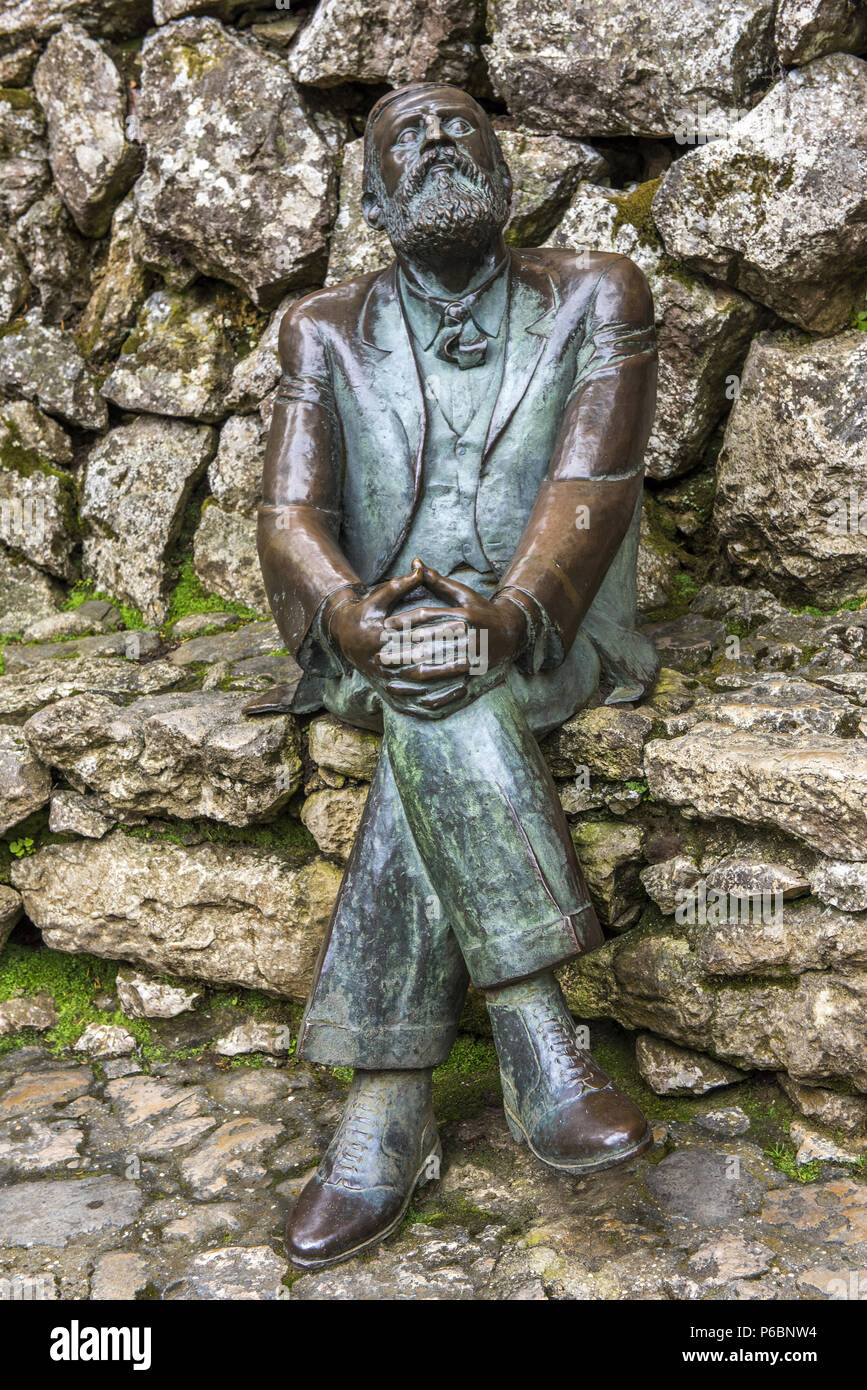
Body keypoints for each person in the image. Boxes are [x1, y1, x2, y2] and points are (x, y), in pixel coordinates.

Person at [258, 82, 659, 1270]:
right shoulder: (321, 330)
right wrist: (346, 610)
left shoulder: (598, 293)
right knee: (432, 682)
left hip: (551, 624)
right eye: (406, 140)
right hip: (379, 635)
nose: (438, 144)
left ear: (509, 173)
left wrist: (513, 611)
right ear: (375, 197)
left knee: (453, 688)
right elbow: (287, 513)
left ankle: (386, 1105)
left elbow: (595, 484)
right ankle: (539, 1042)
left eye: (462, 130)